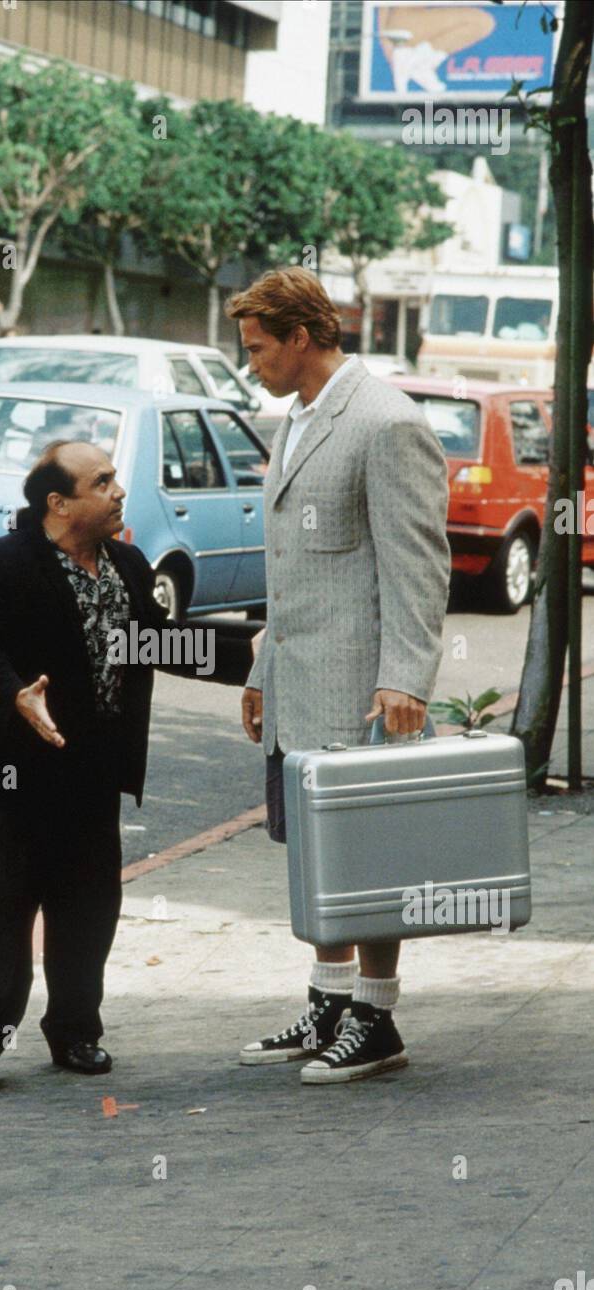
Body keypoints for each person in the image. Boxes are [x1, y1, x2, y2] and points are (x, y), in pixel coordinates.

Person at [226, 267, 450, 1084]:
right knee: (315, 854)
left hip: (364, 687)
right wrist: (260, 666)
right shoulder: (298, 417)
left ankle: (377, 1016)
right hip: (298, 681)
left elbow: (417, 565)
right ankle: (328, 1000)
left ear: (300, 338)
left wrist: (407, 679)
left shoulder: (385, 421)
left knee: (371, 854)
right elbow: (289, 569)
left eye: (257, 348)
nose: (249, 363)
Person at [0, 439, 212, 1092]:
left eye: (116, 478)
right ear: (59, 503)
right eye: (102, 482)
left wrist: (256, 659)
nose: (118, 491)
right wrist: (13, 693)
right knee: (4, 911)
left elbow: (152, 643)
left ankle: (74, 1031)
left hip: (94, 771)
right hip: (16, 773)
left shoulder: (124, 562)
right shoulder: (0, 565)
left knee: (88, 910)